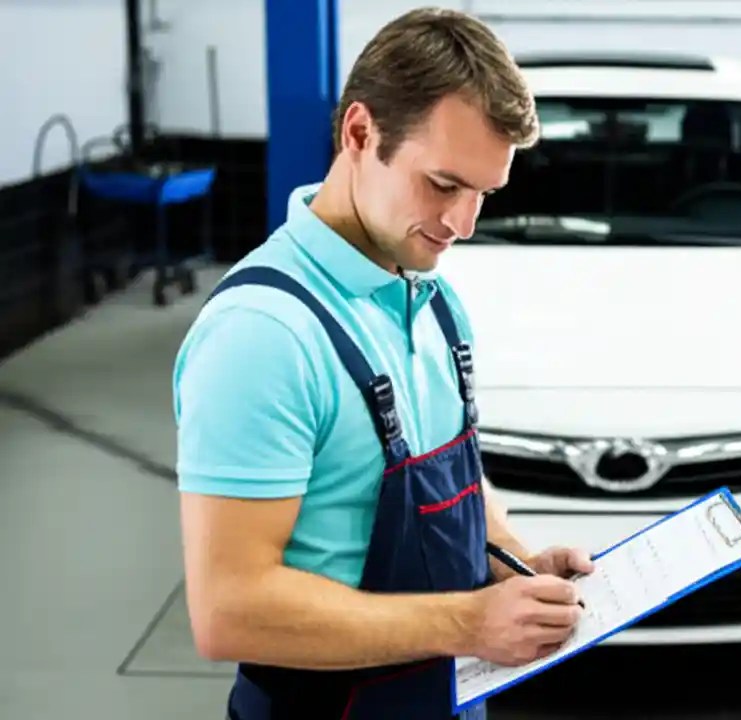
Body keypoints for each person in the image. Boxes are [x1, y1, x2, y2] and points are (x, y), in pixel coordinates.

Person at [171, 8, 592, 719]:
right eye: (443, 184)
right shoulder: (264, 334)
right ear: (360, 133)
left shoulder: (431, 300)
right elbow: (230, 609)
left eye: (483, 195)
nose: (462, 225)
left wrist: (513, 562)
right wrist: (469, 623)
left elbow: (450, 479)